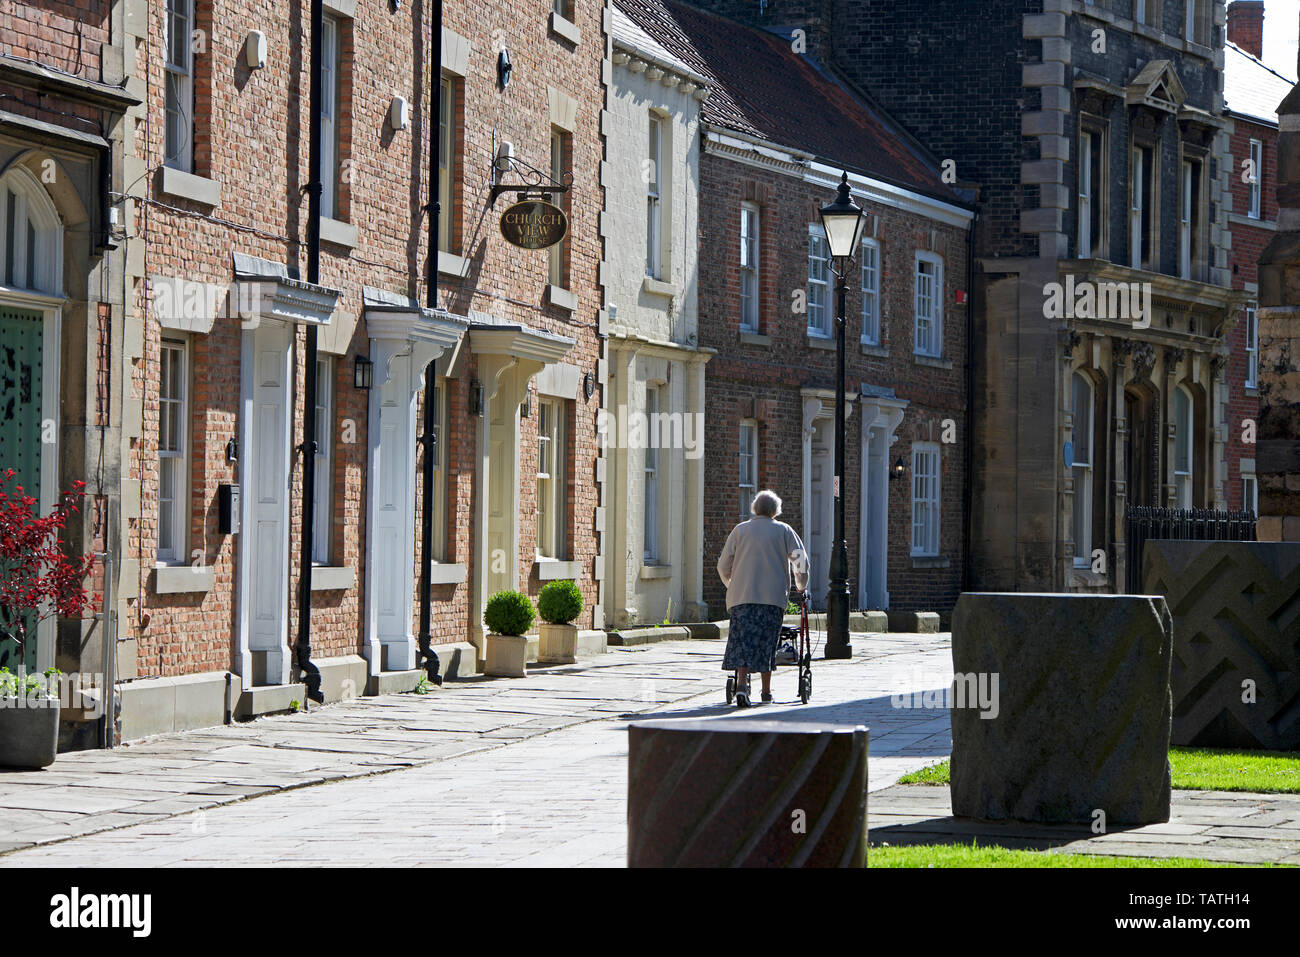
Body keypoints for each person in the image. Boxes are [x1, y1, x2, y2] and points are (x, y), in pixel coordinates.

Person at [717, 489, 810, 707]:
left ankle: (741, 685)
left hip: (742, 596)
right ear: (775, 511)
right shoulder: (784, 531)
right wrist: (801, 585)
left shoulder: (740, 530)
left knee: (741, 641)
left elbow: (723, 564)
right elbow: (801, 562)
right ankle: (766, 692)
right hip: (772, 597)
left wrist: (731, 584)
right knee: (767, 643)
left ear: (754, 509)